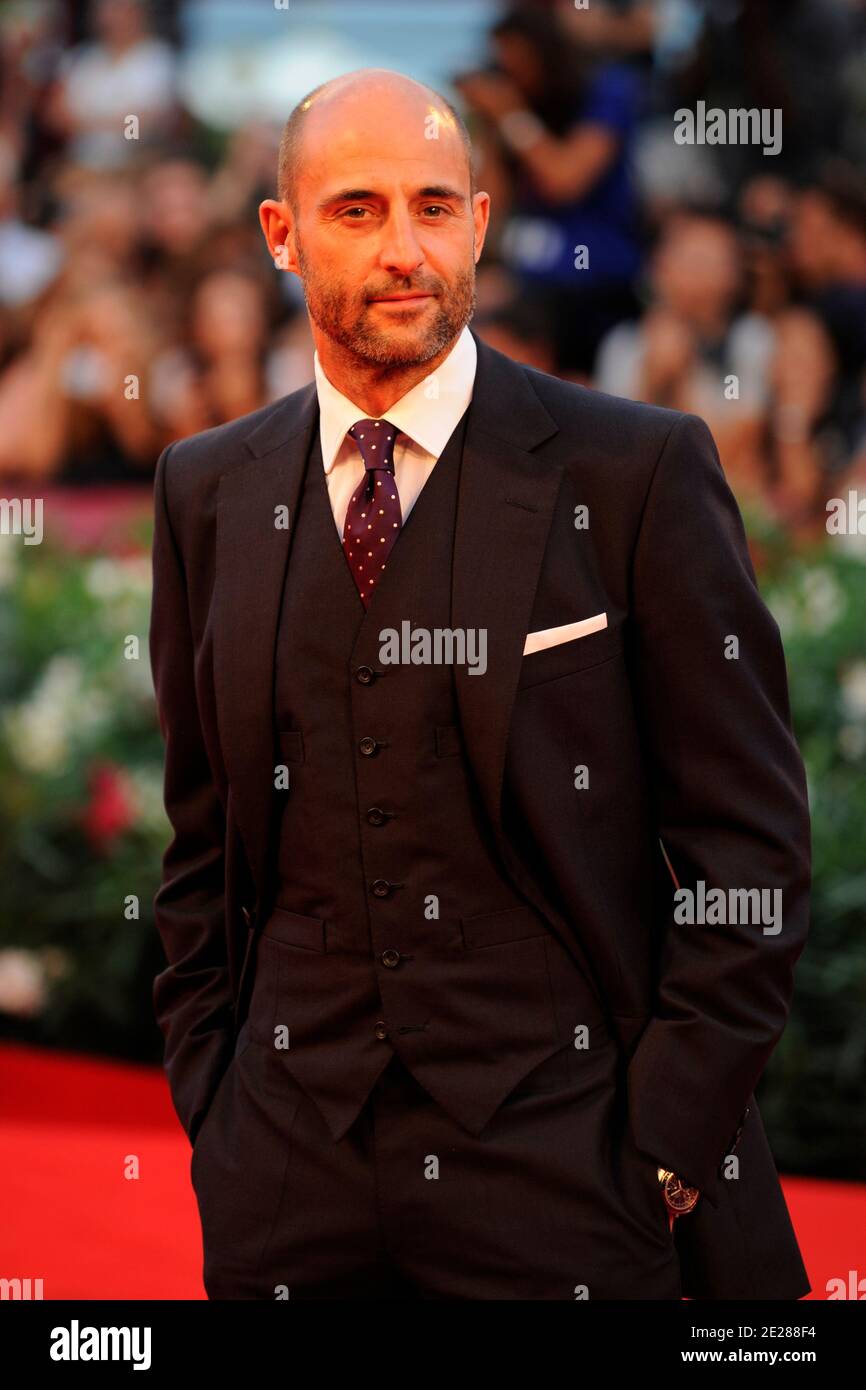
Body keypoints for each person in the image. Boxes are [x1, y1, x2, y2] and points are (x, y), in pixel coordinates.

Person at [149, 67, 811, 1301]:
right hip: (284, 1168)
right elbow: (203, 840)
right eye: (356, 210)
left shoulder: (632, 471)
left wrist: (665, 1138)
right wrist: (216, 1101)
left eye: (435, 207)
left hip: (565, 1158)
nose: (406, 249)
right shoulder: (208, 487)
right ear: (280, 235)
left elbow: (749, 843)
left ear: (481, 221)